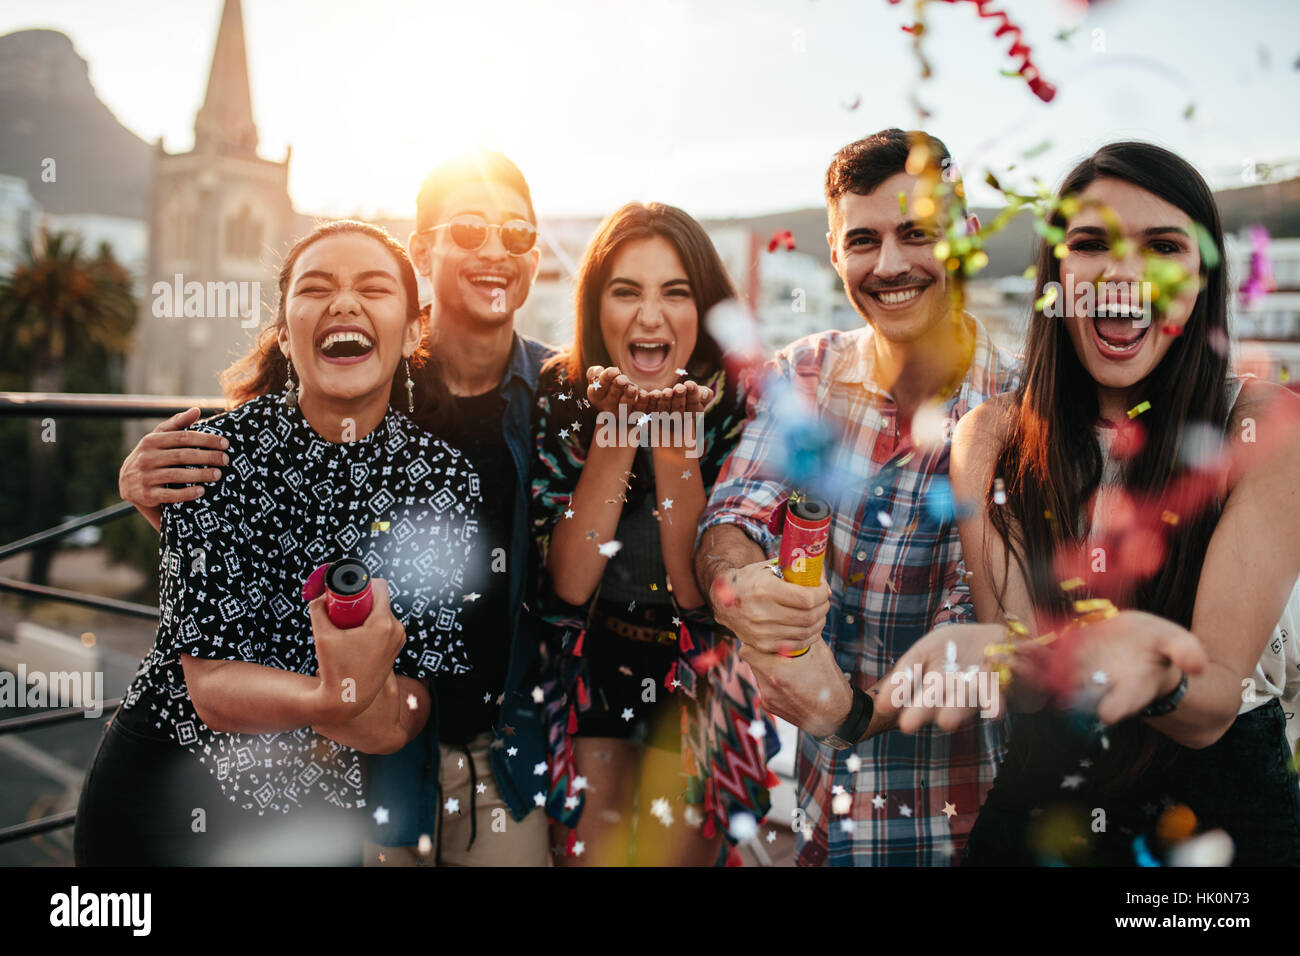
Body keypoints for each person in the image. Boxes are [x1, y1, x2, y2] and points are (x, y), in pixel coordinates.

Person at [115, 151, 557, 866]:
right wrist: (147, 480)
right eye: (470, 230)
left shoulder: (557, 395)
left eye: (516, 235)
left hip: (470, 740)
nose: (494, 252)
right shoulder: (335, 389)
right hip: (325, 763)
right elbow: (223, 636)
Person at [933, 141, 1300, 865]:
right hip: (1047, 798)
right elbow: (1021, 667)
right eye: (1091, 243)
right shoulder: (989, 437)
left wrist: (1148, 673)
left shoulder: (1263, 426)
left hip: (1221, 815)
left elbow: (1211, 706)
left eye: (1164, 245)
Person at [76, 220, 479, 866]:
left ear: (411, 332)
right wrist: (337, 695)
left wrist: (361, 701)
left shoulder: (444, 481)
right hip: (161, 797)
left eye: (373, 288)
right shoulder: (212, 456)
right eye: (316, 288)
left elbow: (400, 718)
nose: (343, 303)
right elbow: (209, 688)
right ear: (286, 336)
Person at [694, 129, 1021, 866]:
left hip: (968, 831)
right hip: (822, 821)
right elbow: (733, 513)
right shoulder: (805, 372)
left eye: (918, 234)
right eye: (865, 240)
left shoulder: (1026, 403)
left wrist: (853, 716)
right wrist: (740, 581)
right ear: (837, 254)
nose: (892, 264)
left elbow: (995, 630)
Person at [532, 201, 776, 866]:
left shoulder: (741, 400)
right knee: (592, 853)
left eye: (676, 292)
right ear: (594, 307)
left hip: (699, 667)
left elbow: (700, 600)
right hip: (595, 658)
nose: (649, 316)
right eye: (625, 292)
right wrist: (615, 437)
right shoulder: (562, 392)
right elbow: (571, 584)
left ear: (703, 310)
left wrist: (674, 456)